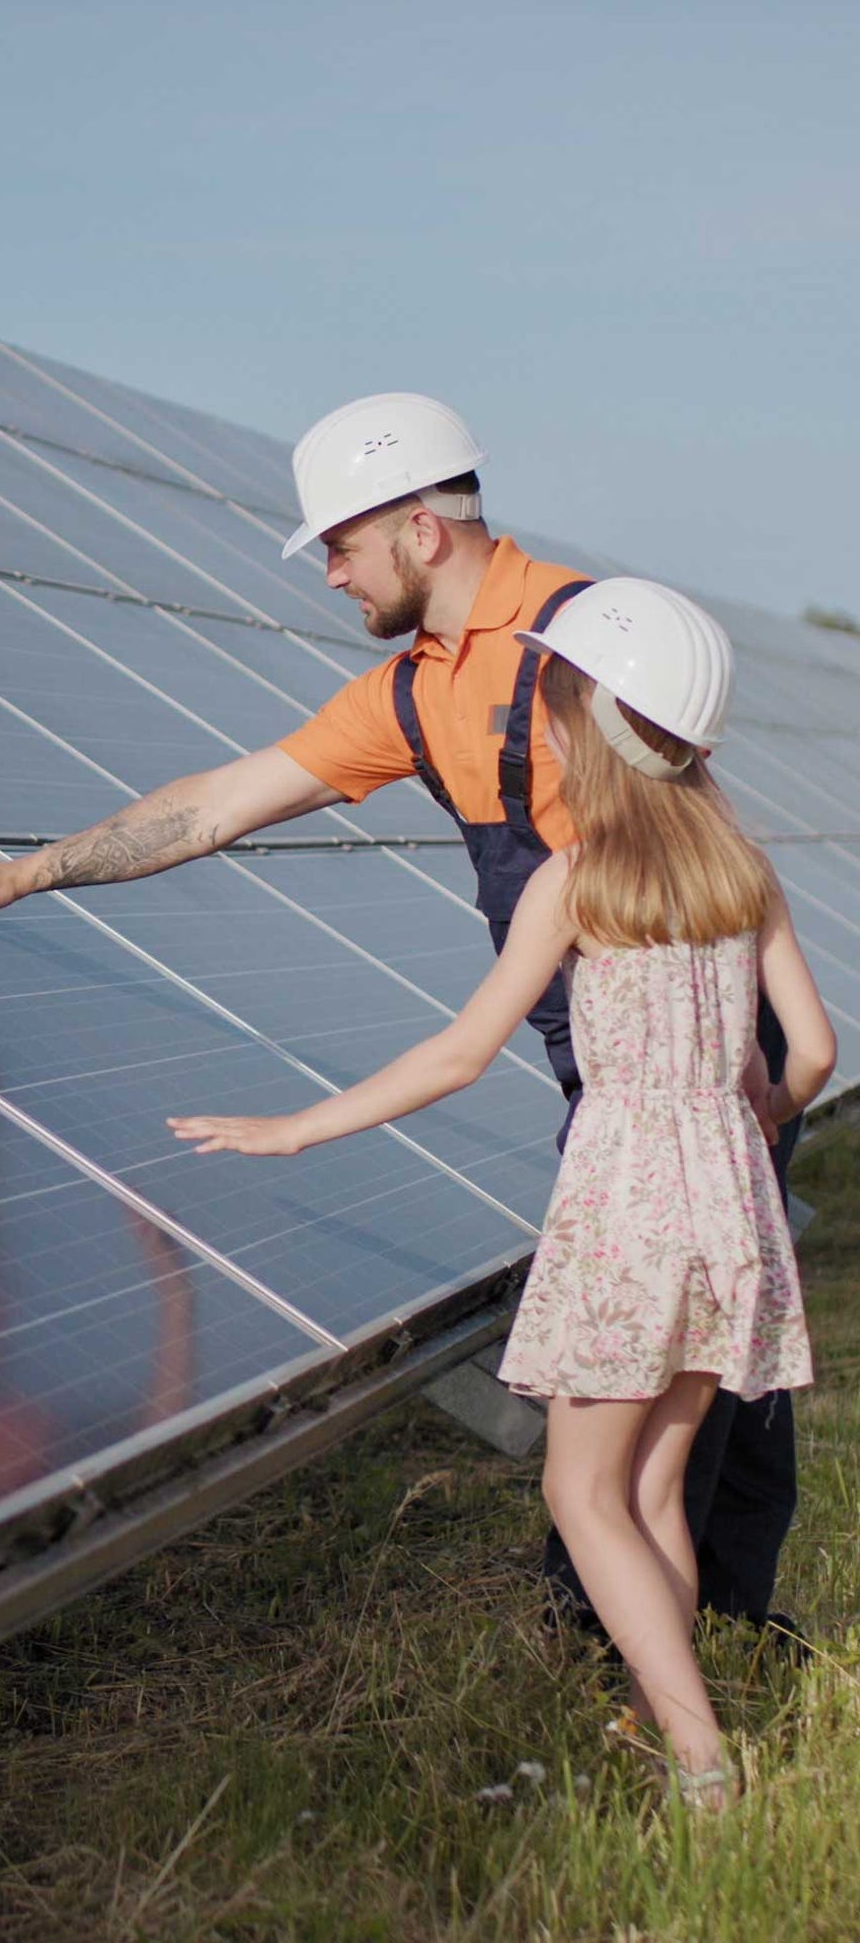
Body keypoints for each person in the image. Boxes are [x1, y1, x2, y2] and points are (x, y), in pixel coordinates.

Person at [0, 392, 800, 1634]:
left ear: (420, 530)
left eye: (340, 543)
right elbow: (216, 803)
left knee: (682, 1375)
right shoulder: (411, 695)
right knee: (683, 1362)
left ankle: (643, 1649)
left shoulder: (592, 640)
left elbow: (711, 844)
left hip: (702, 1052)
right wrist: (24, 872)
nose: (327, 571)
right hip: (600, 1056)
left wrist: (746, 1071)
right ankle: (688, 1638)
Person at [168, 580, 835, 1804]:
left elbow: (458, 1053)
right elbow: (809, 1054)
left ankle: (698, 1762)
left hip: (626, 1206)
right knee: (651, 1490)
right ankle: (654, 1722)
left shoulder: (573, 881)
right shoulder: (742, 873)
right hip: (727, 1203)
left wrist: (297, 1129)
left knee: (580, 1491)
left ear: (591, 726)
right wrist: (742, 1126)